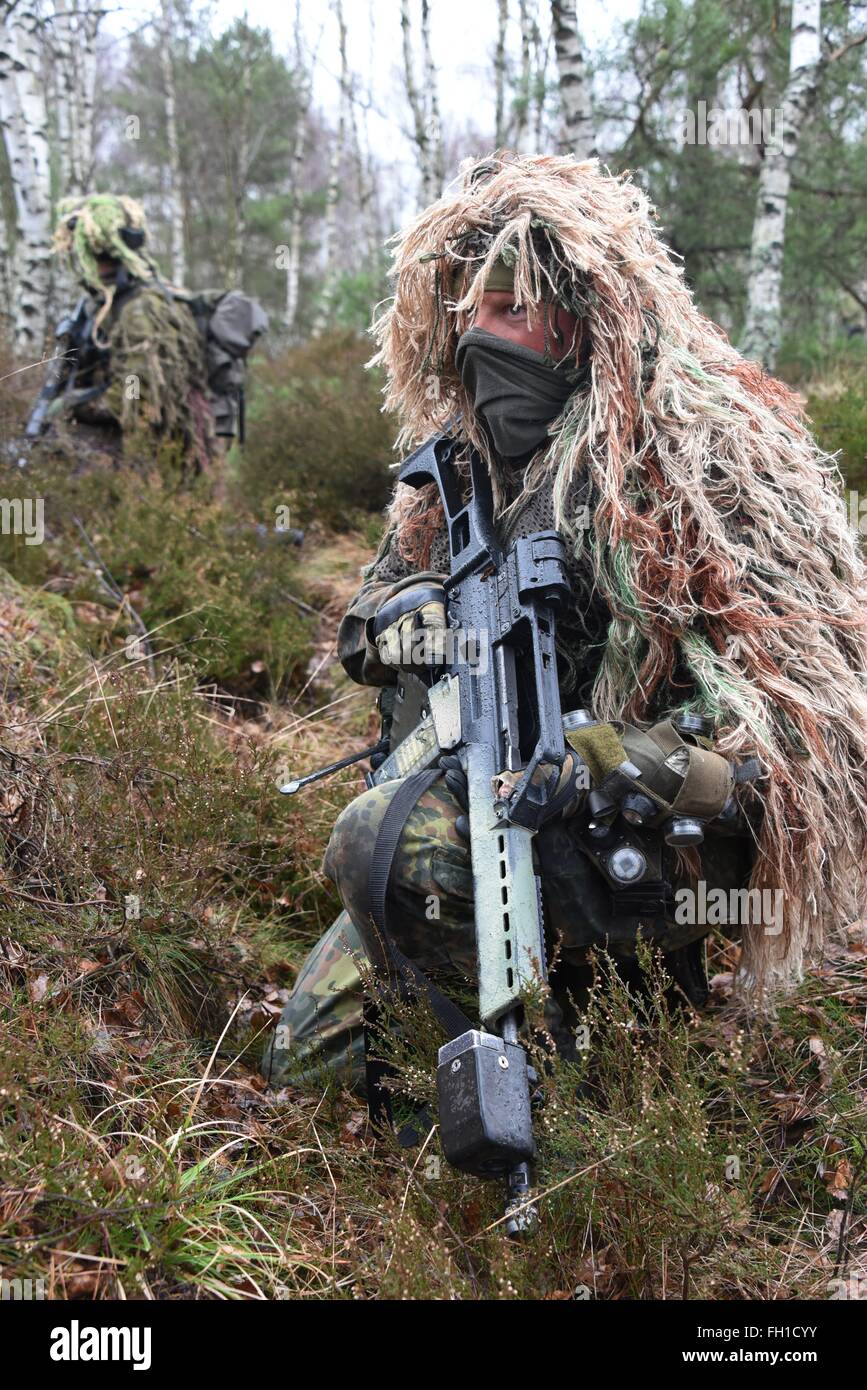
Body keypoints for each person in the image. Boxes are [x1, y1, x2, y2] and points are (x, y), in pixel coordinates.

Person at [263, 152, 867, 1093]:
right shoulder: (457, 478)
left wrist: (612, 757)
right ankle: (541, 1036)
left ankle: (581, 1095)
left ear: (583, 319)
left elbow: (814, 733)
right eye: (465, 320)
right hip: (478, 796)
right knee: (309, 1069)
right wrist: (409, 621)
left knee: (388, 847)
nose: (479, 345)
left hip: (651, 838)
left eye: (508, 314)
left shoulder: (703, 460)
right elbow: (365, 623)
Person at [46, 193, 215, 468]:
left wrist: (75, 405)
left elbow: (138, 397)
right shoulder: (104, 302)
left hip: (164, 457)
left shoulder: (140, 309)